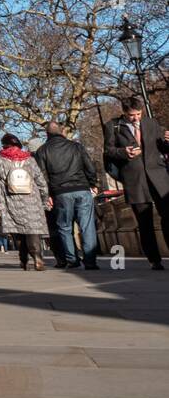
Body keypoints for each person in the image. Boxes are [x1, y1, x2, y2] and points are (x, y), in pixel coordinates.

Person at [103, 96, 169, 270]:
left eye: (139, 114)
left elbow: (162, 148)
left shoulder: (151, 123)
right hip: (134, 179)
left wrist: (167, 142)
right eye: (132, 115)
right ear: (124, 112)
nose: (136, 118)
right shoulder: (112, 126)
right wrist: (123, 152)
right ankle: (154, 260)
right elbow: (108, 151)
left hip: (159, 177)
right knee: (144, 221)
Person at [34, 120, 100, 270]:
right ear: (62, 131)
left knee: (64, 227)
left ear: (47, 134)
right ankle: (90, 260)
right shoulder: (76, 146)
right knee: (87, 226)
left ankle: (72, 259)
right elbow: (89, 166)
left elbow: (41, 176)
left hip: (60, 193)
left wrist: (47, 195)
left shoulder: (42, 151)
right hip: (82, 188)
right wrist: (93, 183)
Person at [0, 133, 52, 270]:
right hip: (31, 199)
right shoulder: (29, 159)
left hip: (11, 200)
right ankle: (38, 258)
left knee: (18, 231)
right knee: (32, 229)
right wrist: (45, 198)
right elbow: (40, 181)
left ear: (4, 145)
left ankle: (23, 260)